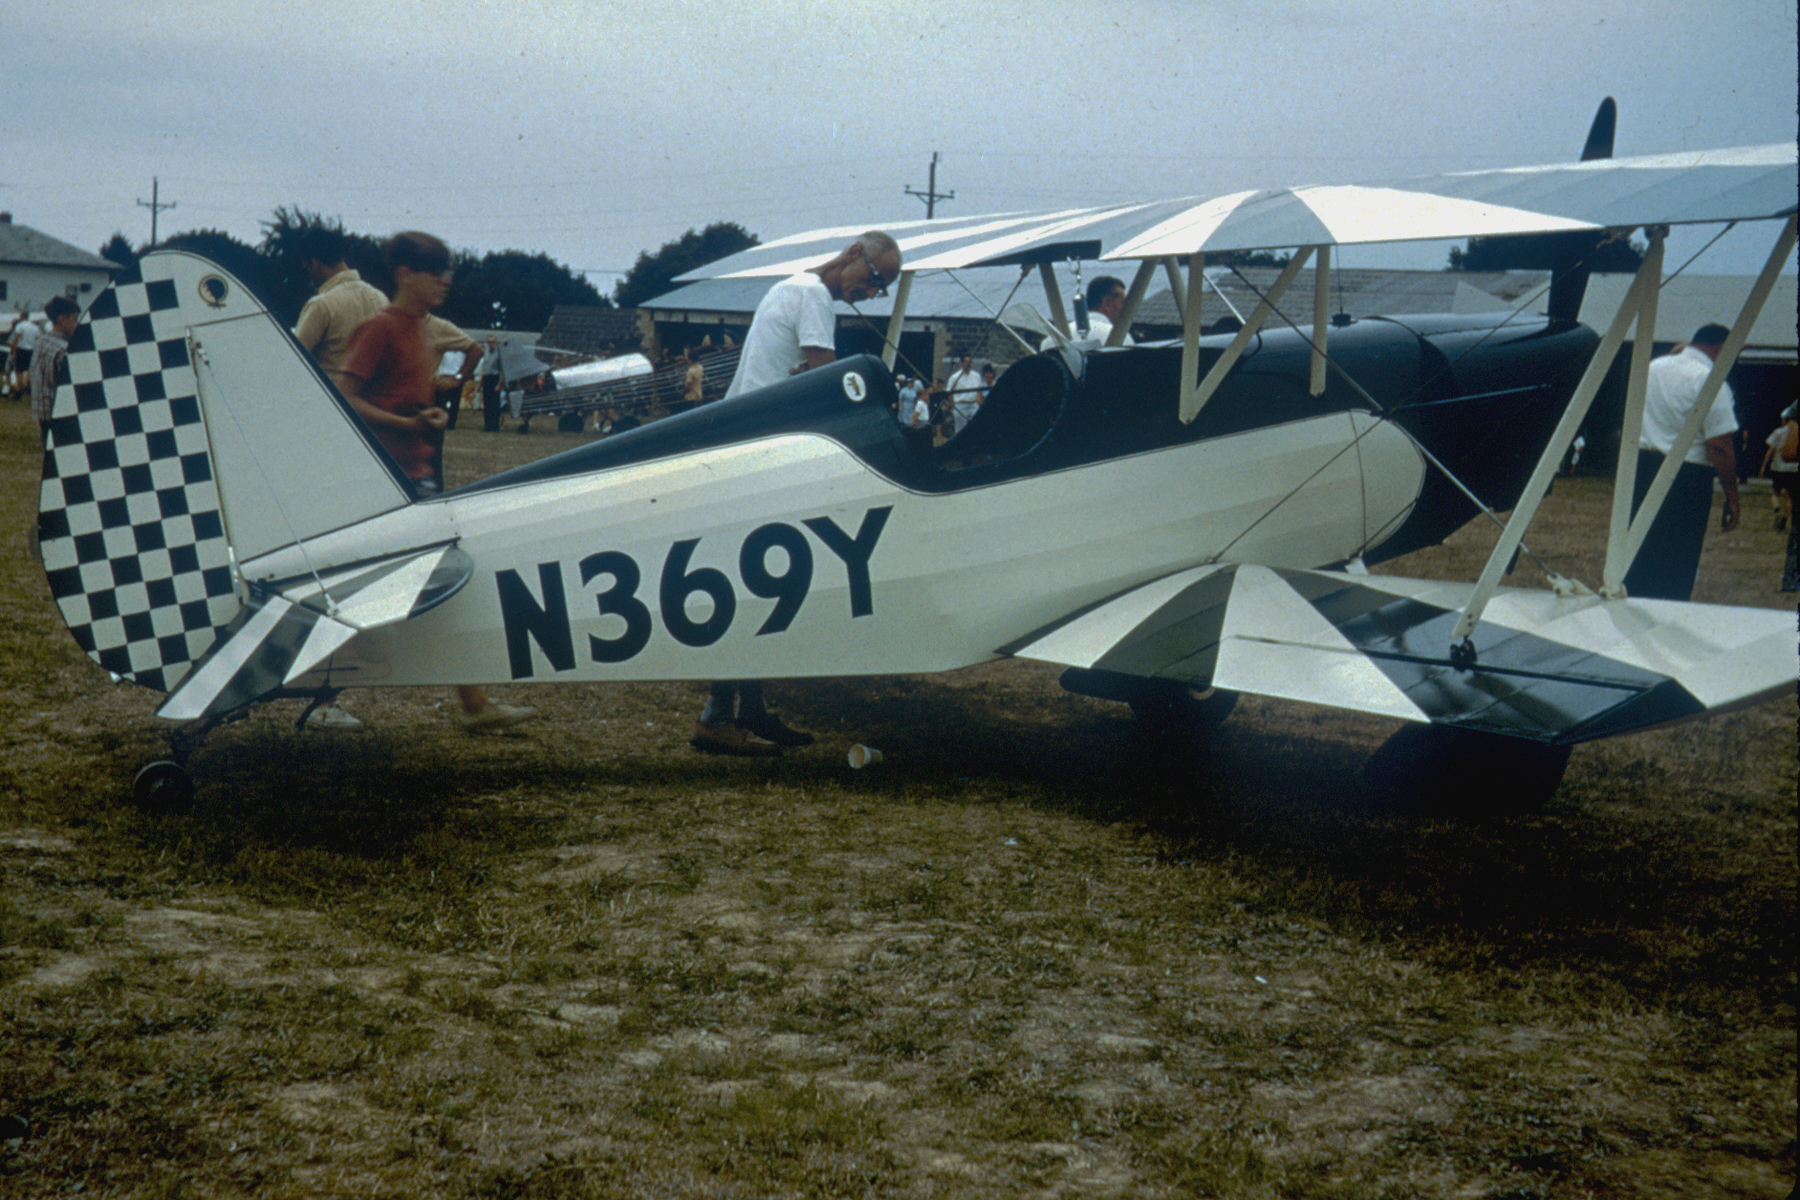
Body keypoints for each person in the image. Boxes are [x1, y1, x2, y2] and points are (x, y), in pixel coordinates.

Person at [694, 230, 902, 756]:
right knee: (760, 584)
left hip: (746, 446)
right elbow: (826, 383)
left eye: (882, 290)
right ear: (854, 254)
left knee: (770, 582)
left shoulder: (789, 287)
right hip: (764, 456)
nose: (872, 294)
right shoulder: (813, 297)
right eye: (875, 280)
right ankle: (717, 715)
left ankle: (751, 709)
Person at [339, 231, 539, 735]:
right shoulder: (379, 328)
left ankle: (474, 704)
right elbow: (345, 398)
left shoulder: (427, 329)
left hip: (420, 475)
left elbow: (408, 389)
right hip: (388, 483)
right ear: (405, 274)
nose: (445, 281)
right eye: (435, 272)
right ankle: (328, 692)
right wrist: (408, 425)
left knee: (449, 583)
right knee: (393, 591)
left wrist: (433, 401)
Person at [1622, 324, 1741, 601]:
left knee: (1639, 554)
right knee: (1676, 563)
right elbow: (1719, 446)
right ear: (1721, 348)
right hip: (1685, 479)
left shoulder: (1653, 367)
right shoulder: (1709, 379)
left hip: (1642, 469)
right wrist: (1732, 496)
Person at [293, 228, 390, 393]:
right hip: (371, 404)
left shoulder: (321, 305)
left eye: (307, 267)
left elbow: (293, 357)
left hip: (331, 402)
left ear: (314, 263)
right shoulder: (381, 298)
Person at [30, 297, 79, 440]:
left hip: (42, 411)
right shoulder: (63, 349)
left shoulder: (41, 341)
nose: (78, 324)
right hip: (59, 414)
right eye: (75, 319)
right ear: (63, 318)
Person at [1083, 275, 1133, 345]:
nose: (1125, 309)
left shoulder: (1065, 334)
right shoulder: (1121, 337)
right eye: (1122, 303)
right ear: (1107, 303)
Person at [945, 355, 982, 435]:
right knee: (960, 431)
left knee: (975, 429)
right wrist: (953, 405)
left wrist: (979, 404)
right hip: (961, 405)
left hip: (974, 405)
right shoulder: (954, 377)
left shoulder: (976, 376)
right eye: (967, 362)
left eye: (970, 362)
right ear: (961, 363)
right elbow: (949, 393)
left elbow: (979, 391)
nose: (969, 364)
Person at [9, 313, 41, 402]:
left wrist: (14, 353)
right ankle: (27, 387)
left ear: (21, 317)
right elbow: (38, 340)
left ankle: (19, 392)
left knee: (18, 371)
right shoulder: (35, 327)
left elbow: (16, 339)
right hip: (31, 351)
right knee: (30, 370)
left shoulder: (20, 326)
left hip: (21, 350)